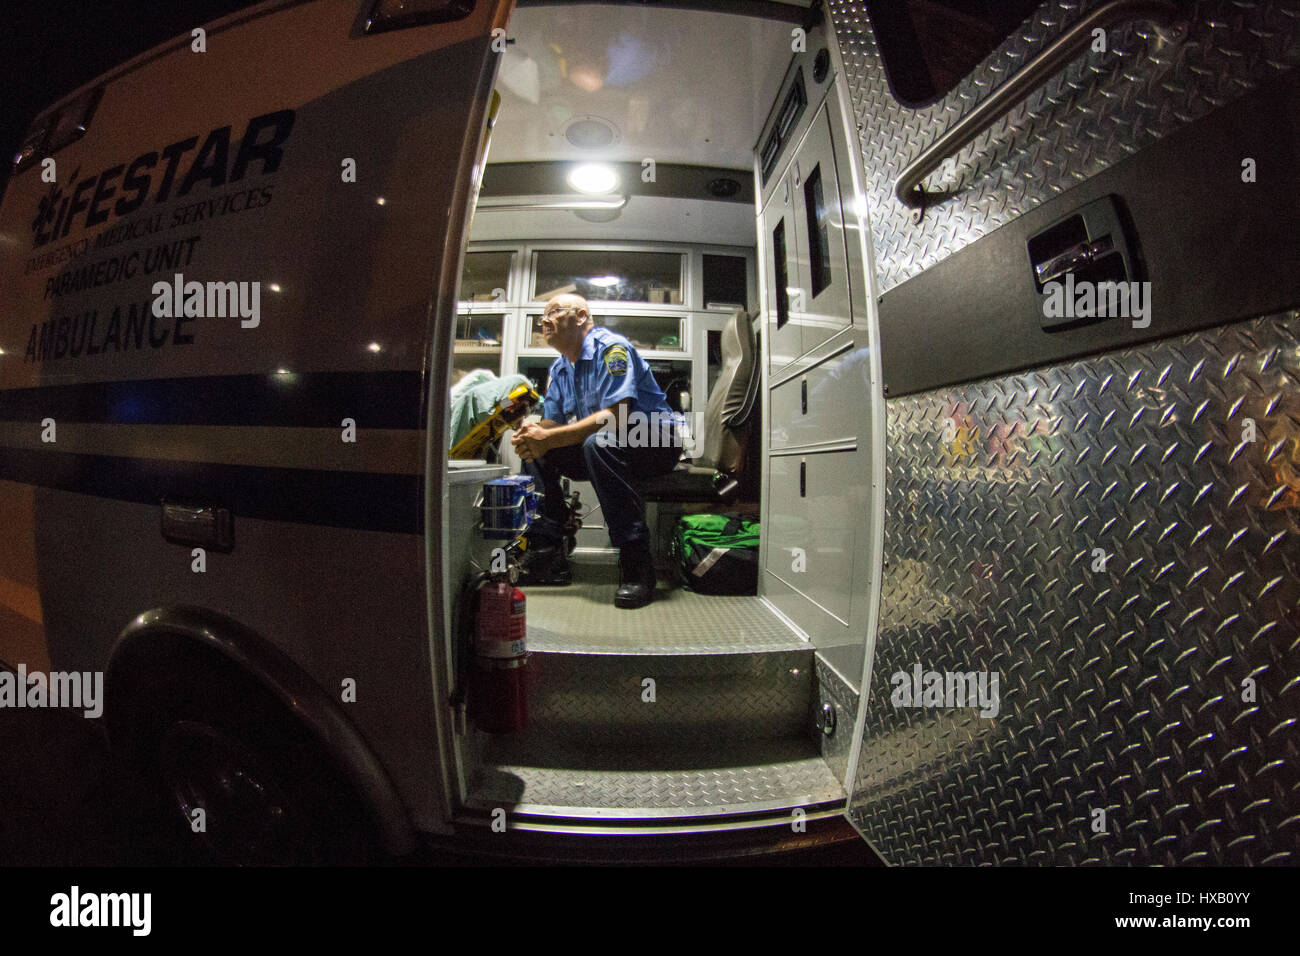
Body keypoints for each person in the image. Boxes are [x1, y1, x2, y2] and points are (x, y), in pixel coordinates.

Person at [511, 294, 683, 608]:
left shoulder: (611, 349)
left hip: (657, 439)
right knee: (536, 450)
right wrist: (533, 435)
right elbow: (553, 421)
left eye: (553, 312)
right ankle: (546, 546)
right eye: (542, 315)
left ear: (580, 316)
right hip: (614, 439)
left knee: (599, 441)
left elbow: (617, 415)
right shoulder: (561, 367)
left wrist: (549, 436)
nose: (543, 320)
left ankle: (636, 560)